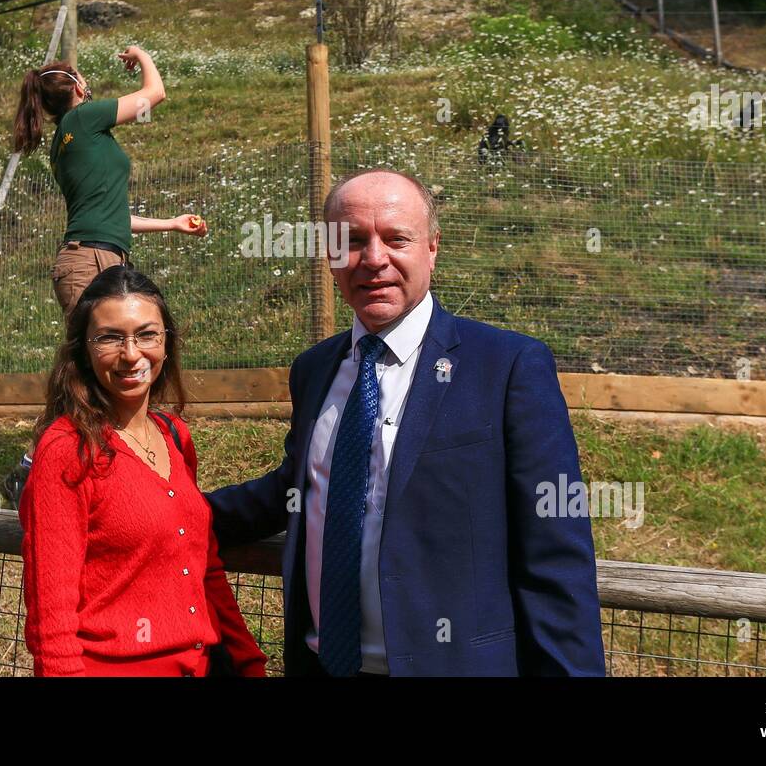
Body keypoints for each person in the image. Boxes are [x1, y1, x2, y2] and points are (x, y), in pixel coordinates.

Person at [206, 168, 606, 676]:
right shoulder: (314, 370)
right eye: (351, 241)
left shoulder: (505, 367)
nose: (374, 259)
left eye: (397, 238)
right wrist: (172, 515)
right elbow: (301, 486)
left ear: (433, 247)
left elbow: (555, 555)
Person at [19, 265, 267, 677]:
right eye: (110, 337)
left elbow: (205, 569)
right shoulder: (68, 450)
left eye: (146, 334)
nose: (132, 353)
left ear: (167, 343)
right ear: (83, 349)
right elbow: (51, 615)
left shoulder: (175, 436)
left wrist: (249, 659)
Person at [3, 46, 208, 506]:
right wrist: (144, 55)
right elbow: (155, 94)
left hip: (100, 254)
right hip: (89, 261)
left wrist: (170, 223)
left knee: (100, 365)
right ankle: (36, 471)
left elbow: (110, 215)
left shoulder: (70, 138)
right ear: (77, 87)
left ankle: (106, 464)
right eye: (84, 80)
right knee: (85, 365)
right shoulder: (84, 120)